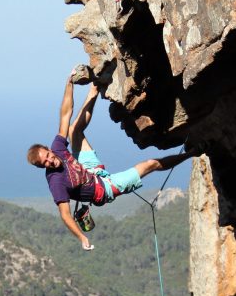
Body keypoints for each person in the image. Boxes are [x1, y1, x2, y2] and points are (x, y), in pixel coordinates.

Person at [27, 71, 194, 251]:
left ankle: (95, 87)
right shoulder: (56, 182)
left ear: (49, 149)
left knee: (74, 129)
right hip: (104, 188)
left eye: (48, 156)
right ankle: (191, 152)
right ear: (42, 168)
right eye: (45, 163)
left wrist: (69, 84)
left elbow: (65, 114)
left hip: (89, 169)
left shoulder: (57, 148)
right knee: (150, 165)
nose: (50, 161)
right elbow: (65, 215)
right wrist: (81, 237)